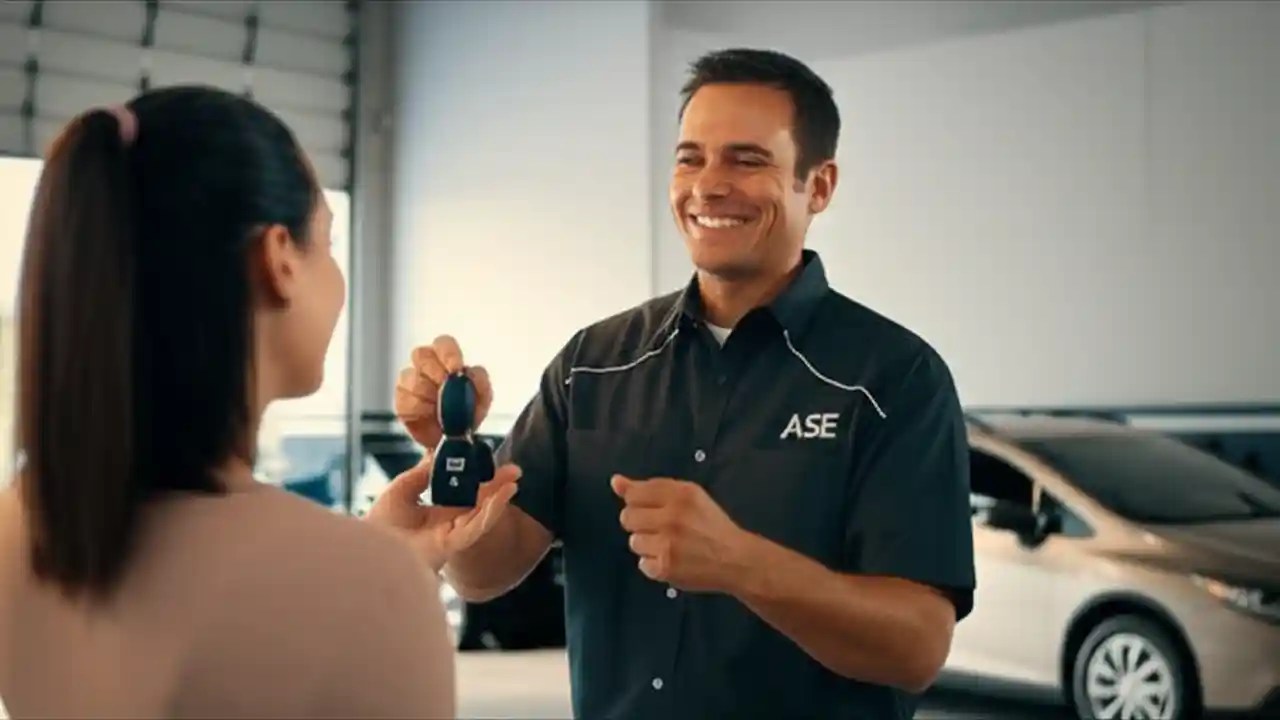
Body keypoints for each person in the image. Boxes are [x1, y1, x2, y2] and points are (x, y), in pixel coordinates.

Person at [394, 48, 976, 719]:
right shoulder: (593, 364)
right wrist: (453, 459)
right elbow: (483, 573)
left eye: (747, 159)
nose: (707, 185)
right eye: (689, 157)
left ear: (817, 186)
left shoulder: (895, 379)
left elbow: (917, 648)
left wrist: (742, 564)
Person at [0, 86, 516, 719]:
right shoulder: (374, 591)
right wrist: (377, 573)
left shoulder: (20, 526)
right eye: (326, 242)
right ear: (279, 260)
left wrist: (371, 555)